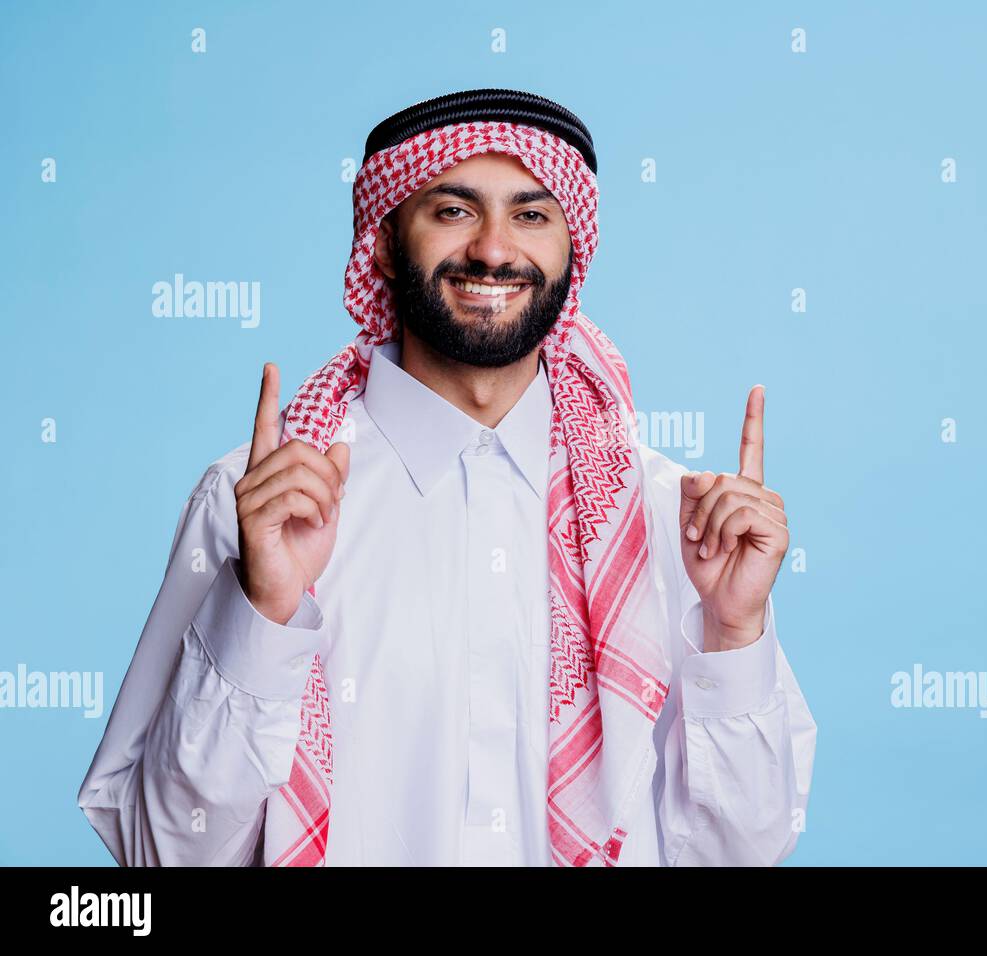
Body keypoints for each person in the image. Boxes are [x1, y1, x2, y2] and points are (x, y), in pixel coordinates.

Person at [77, 88, 817, 866]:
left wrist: (733, 636)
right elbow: (160, 857)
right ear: (387, 245)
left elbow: (745, 851)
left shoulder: (668, 517)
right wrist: (260, 616)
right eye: (453, 211)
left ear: (574, 248)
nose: (495, 250)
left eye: (531, 215)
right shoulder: (257, 503)